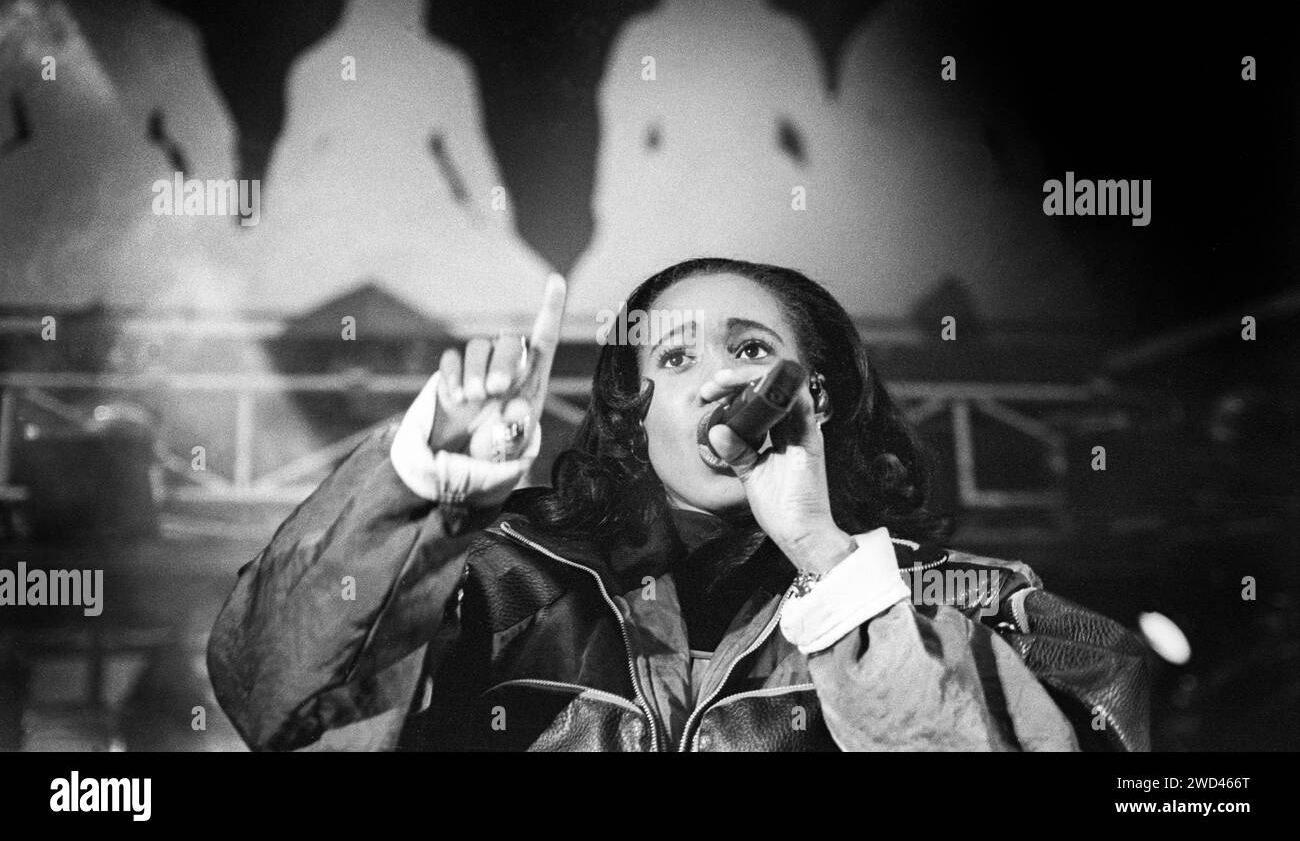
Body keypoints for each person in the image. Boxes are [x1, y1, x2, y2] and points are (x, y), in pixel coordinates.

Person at [208, 259, 1150, 751]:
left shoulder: (969, 602)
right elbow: (279, 705)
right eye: (673, 359)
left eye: (747, 351)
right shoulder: (496, 575)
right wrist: (415, 495)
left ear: (813, 398)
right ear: (636, 413)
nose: (713, 384)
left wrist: (828, 557)